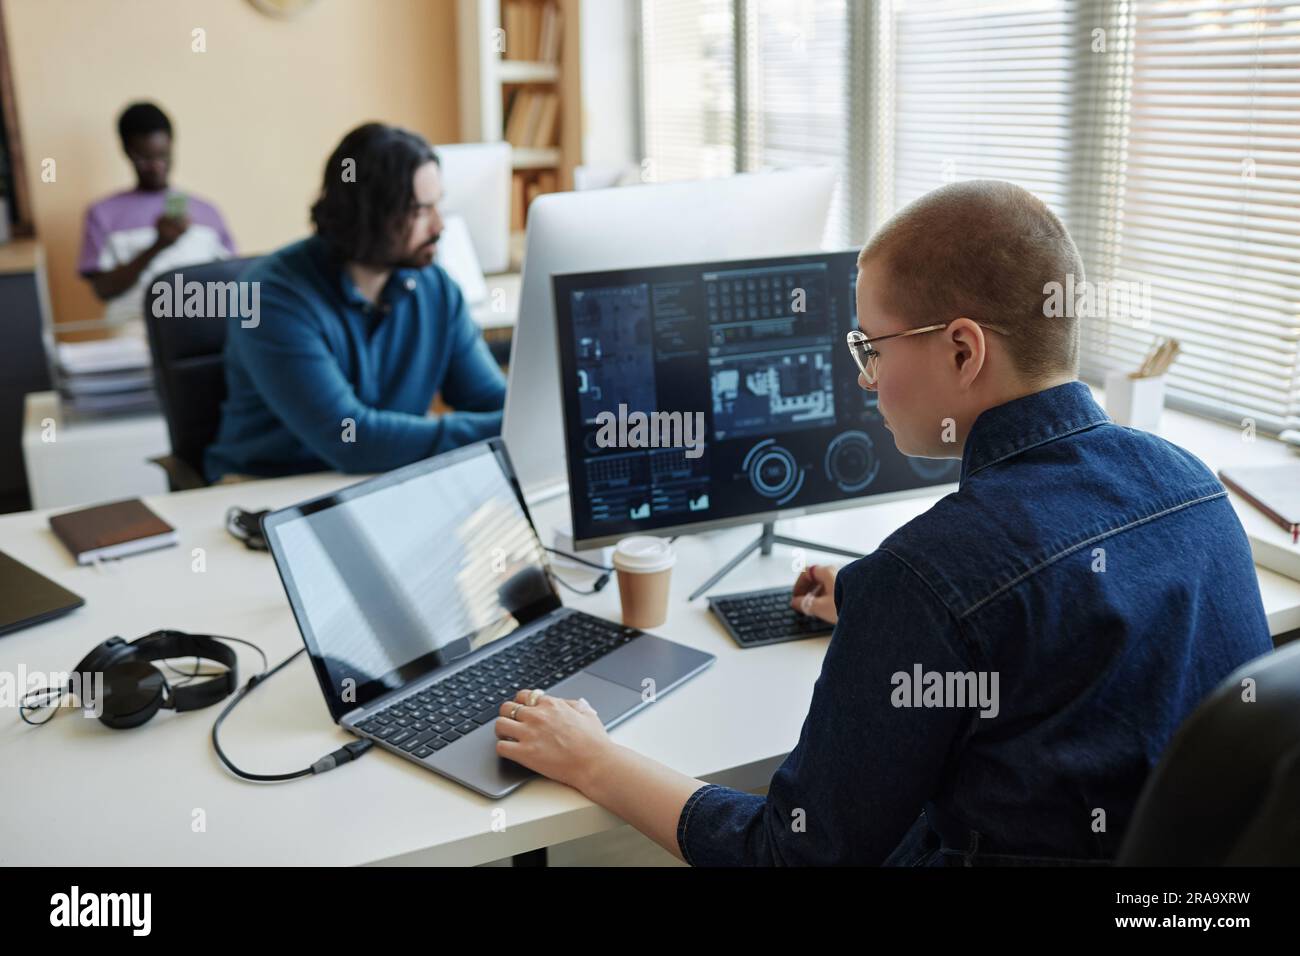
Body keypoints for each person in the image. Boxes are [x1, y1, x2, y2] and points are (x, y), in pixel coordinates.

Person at [488, 180, 1274, 865]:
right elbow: (1057, 636)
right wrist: (882, 609)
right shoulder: (1192, 486)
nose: (865, 380)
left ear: (963, 351)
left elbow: (791, 854)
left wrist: (594, 759)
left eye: (871, 346)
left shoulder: (929, 575)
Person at [205, 123, 505, 481]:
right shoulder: (270, 299)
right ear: (369, 214)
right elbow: (351, 438)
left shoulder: (438, 290)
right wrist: (509, 427)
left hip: (380, 482)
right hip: (266, 492)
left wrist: (541, 415)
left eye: (437, 205)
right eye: (419, 211)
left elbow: (490, 399)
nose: (440, 226)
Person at [79, 102, 236, 325]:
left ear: (173, 146)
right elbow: (103, 290)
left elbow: (231, 279)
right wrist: (158, 245)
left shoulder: (207, 212)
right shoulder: (103, 214)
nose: (156, 166)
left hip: (205, 323)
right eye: (145, 158)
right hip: (137, 326)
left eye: (163, 156)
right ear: (127, 152)